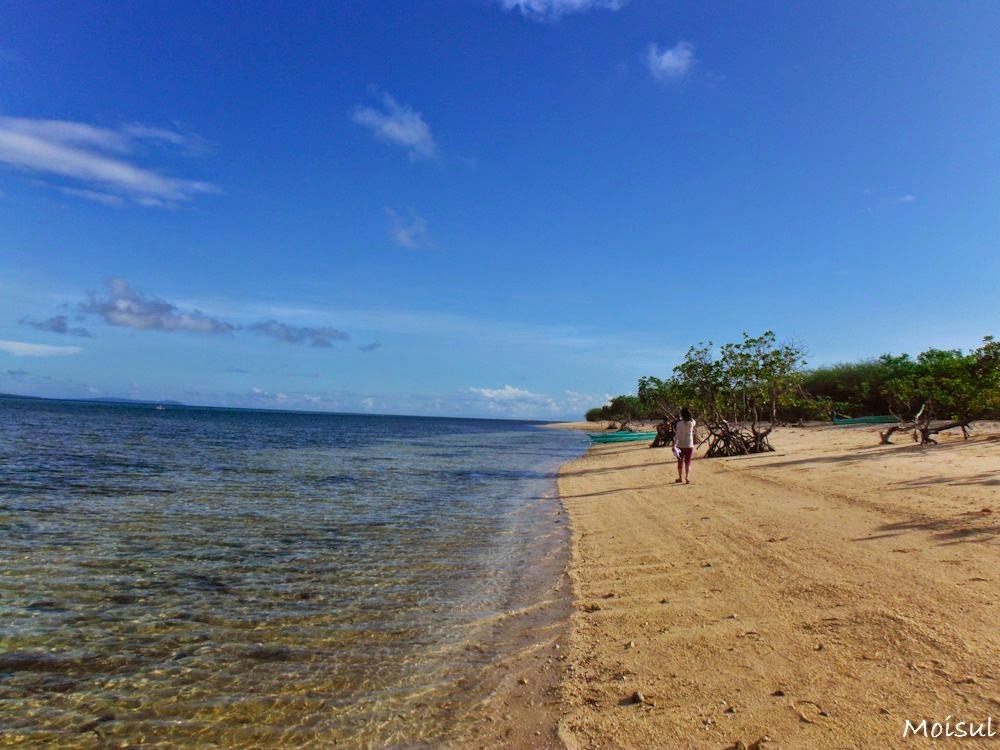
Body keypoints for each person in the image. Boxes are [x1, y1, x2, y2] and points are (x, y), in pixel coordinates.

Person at [672, 407, 696, 484]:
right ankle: (687, 477)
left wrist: (674, 445)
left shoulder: (679, 424)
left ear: (682, 415)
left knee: (680, 461)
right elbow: (693, 420)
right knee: (688, 461)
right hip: (689, 445)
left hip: (680, 445)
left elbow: (677, 436)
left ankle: (680, 478)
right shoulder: (692, 423)